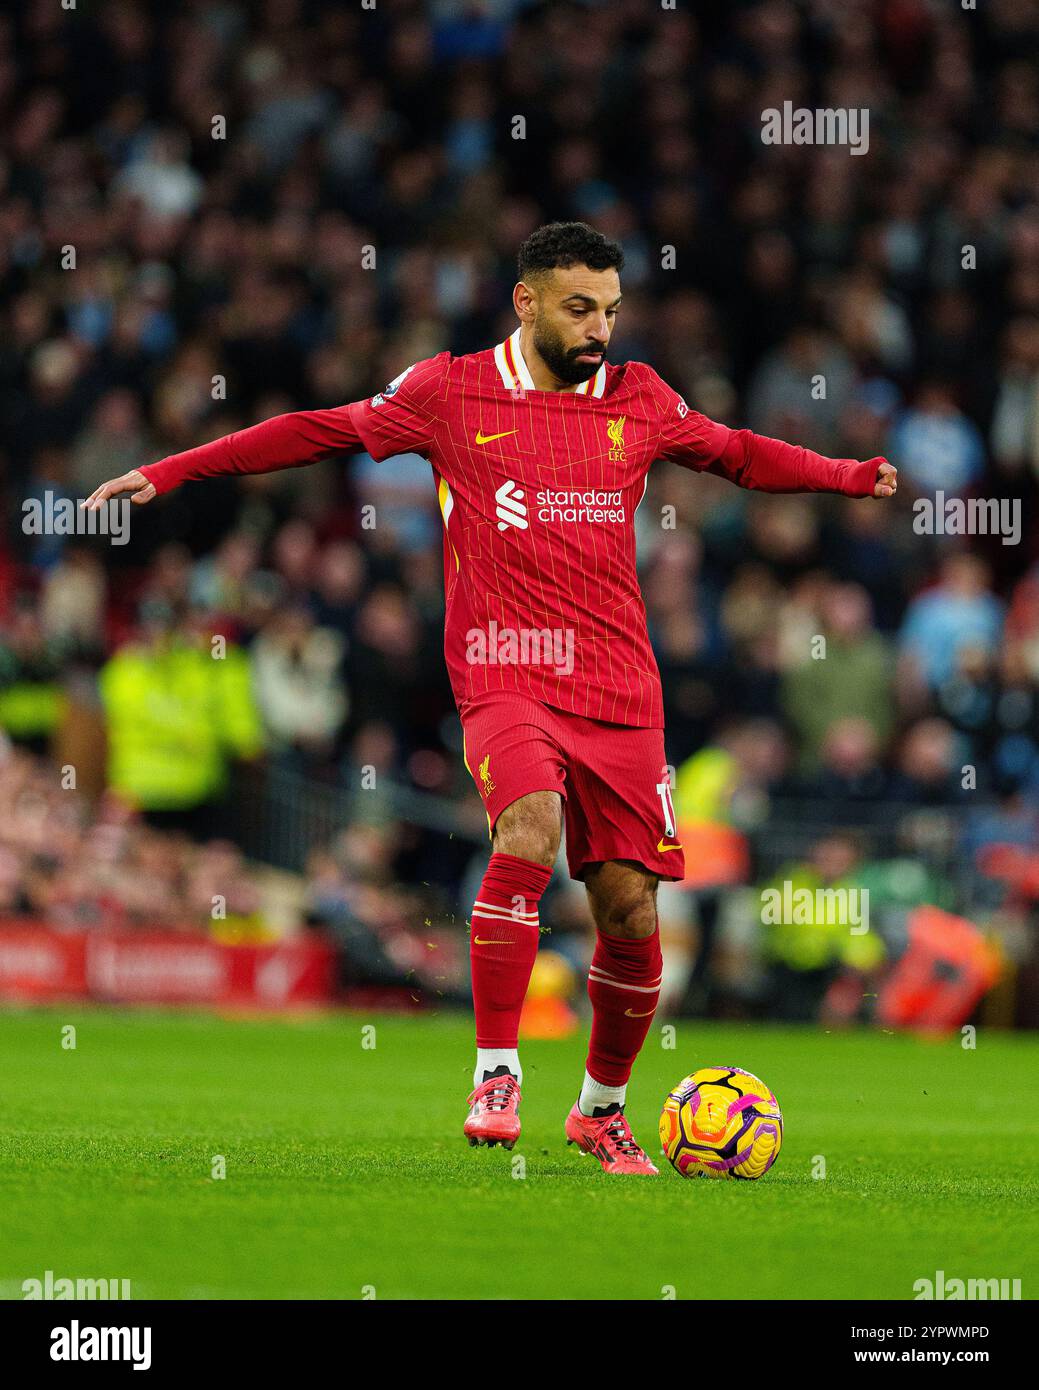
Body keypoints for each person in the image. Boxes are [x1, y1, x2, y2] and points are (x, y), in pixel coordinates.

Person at [83, 221, 898, 1175]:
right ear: (527, 301)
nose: (598, 328)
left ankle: (599, 1111)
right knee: (528, 830)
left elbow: (737, 454)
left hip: (621, 686)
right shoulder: (448, 390)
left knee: (630, 908)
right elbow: (319, 431)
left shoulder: (639, 397)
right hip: (503, 667)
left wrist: (845, 475)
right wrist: (173, 468)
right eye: (579, 308)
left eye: (610, 309)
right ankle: (497, 1070)